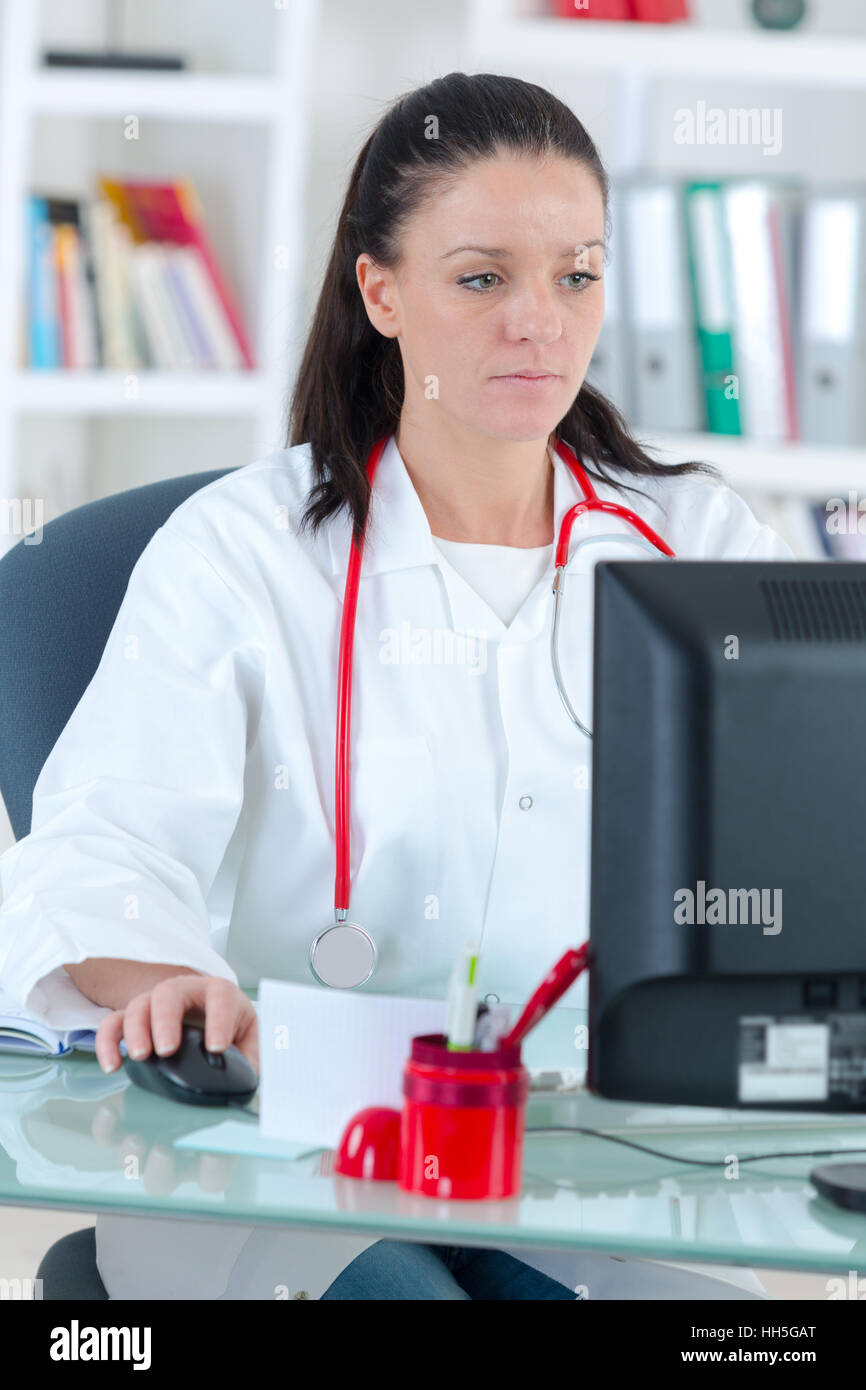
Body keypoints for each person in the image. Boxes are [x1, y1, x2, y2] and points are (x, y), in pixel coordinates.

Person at [0, 72, 793, 1300]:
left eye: (575, 274)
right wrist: (164, 987)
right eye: (481, 277)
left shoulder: (700, 546)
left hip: (598, 1160)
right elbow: (98, 848)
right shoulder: (243, 550)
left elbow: (805, 851)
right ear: (381, 291)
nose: (540, 321)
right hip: (279, 1160)